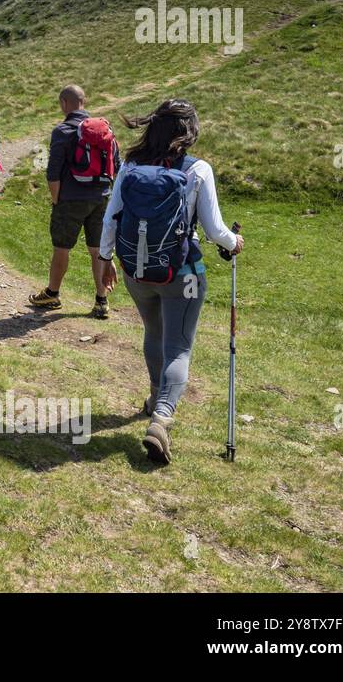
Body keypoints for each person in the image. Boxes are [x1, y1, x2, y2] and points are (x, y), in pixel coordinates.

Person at [98, 99, 243, 465]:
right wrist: (234, 243)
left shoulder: (130, 164)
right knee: (178, 346)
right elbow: (214, 230)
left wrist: (104, 259)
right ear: (189, 131)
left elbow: (111, 216)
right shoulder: (198, 170)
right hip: (182, 273)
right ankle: (162, 418)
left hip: (135, 269)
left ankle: (153, 397)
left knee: (153, 332)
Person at [30, 85, 120, 319]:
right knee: (96, 250)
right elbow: (117, 166)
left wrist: (56, 199)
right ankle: (101, 301)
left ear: (63, 103)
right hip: (101, 198)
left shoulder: (62, 131)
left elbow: (53, 171)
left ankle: (52, 293)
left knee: (62, 247)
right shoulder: (105, 130)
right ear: (84, 101)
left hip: (70, 198)